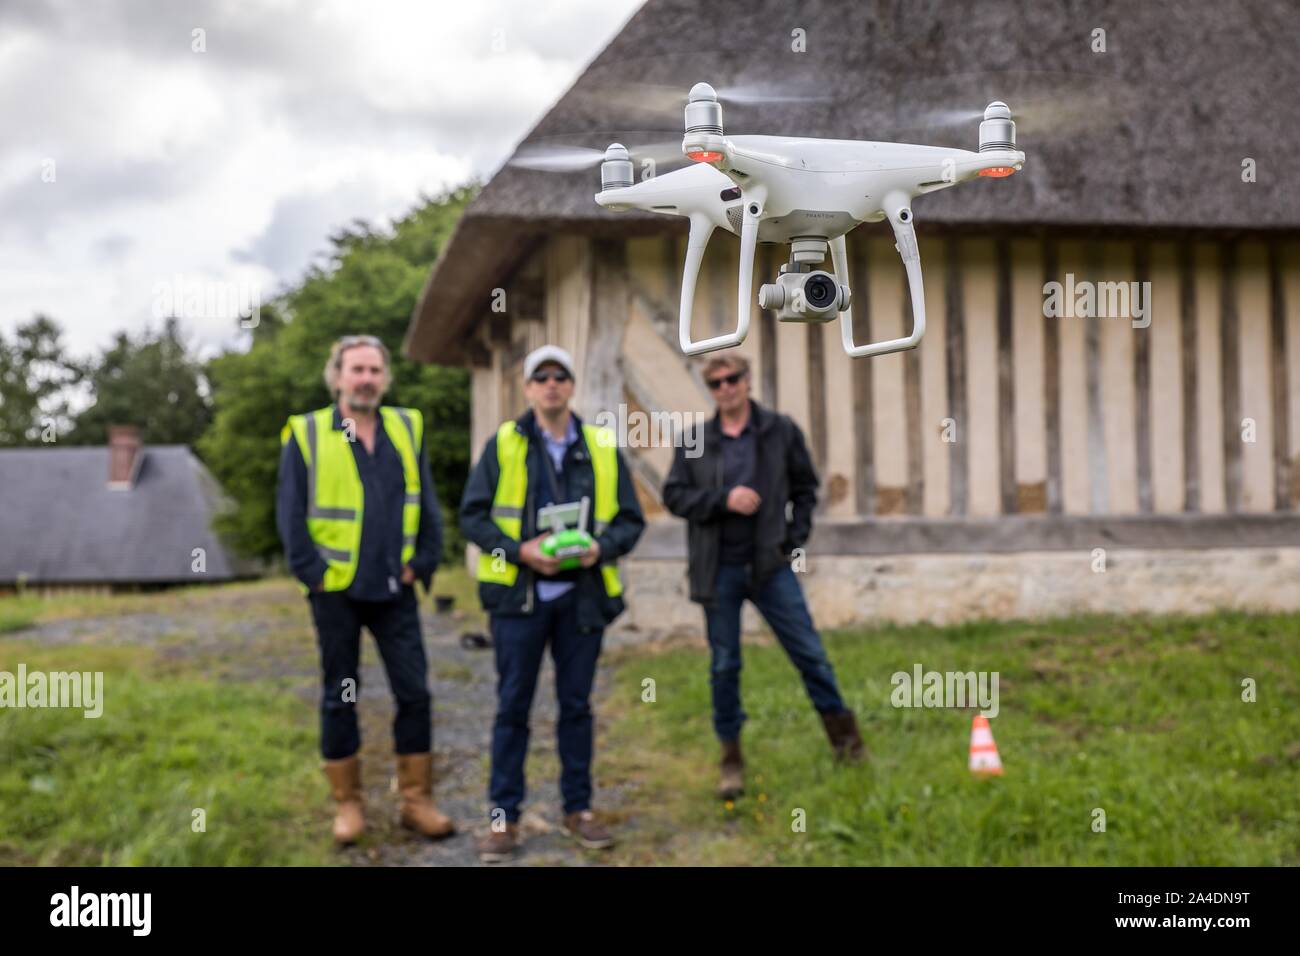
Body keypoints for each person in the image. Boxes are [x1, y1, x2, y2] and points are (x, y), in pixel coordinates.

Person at [459, 345, 645, 862]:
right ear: (527, 388)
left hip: (581, 601)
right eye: (540, 377)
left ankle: (579, 810)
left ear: (571, 386)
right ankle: (504, 819)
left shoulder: (601, 446)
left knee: (576, 707)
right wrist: (520, 551)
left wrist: (599, 549)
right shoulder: (504, 444)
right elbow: (472, 517)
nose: (550, 384)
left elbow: (631, 521)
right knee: (512, 708)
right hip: (518, 602)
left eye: (559, 376)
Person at [662, 352, 865, 800]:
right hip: (718, 569)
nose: (726, 388)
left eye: (732, 379)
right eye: (716, 383)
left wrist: (792, 541)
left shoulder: (780, 431)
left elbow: (805, 490)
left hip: (770, 566)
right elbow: (674, 496)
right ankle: (731, 758)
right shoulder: (695, 440)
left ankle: (847, 744)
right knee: (724, 665)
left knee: (810, 654)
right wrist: (723, 499)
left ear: (747, 380)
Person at [276, 334, 453, 845]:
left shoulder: (406, 427)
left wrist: (424, 560)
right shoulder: (308, 432)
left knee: (414, 692)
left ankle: (416, 801)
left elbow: (426, 500)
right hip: (337, 591)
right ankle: (348, 805)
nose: (366, 379)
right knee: (341, 694)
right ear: (337, 377)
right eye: (357, 370)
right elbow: (290, 512)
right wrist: (312, 574)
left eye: (375, 370)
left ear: (385, 378)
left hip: (396, 588)